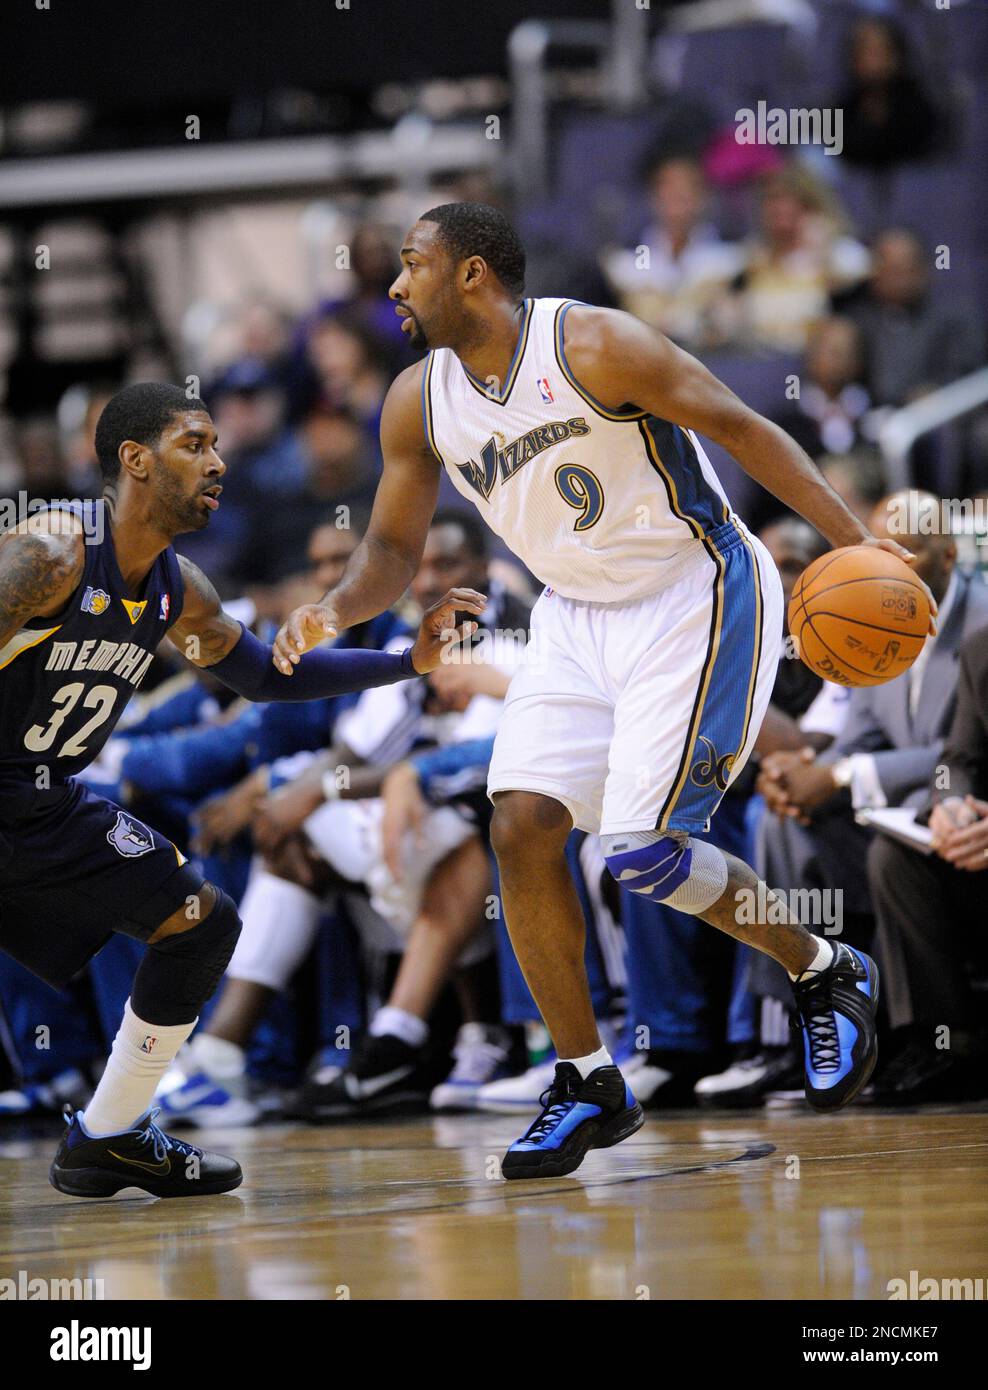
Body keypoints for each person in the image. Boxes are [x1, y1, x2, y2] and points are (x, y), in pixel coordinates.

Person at [273, 202, 934, 1181]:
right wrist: (330, 610)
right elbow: (389, 548)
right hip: (573, 614)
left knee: (638, 848)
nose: (393, 286)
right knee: (521, 824)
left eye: (412, 265)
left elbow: (744, 430)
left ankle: (821, 968)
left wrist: (855, 543)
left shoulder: (592, 343)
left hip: (692, 589)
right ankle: (585, 1078)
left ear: (471, 276)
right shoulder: (416, 399)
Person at [0, 380, 483, 1200]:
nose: (219, 462)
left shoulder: (177, 588)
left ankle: (108, 1136)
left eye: (219, 445)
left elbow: (263, 676)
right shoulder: (50, 554)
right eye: (195, 444)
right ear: (135, 460)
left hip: (44, 803)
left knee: (196, 921)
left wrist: (410, 663)